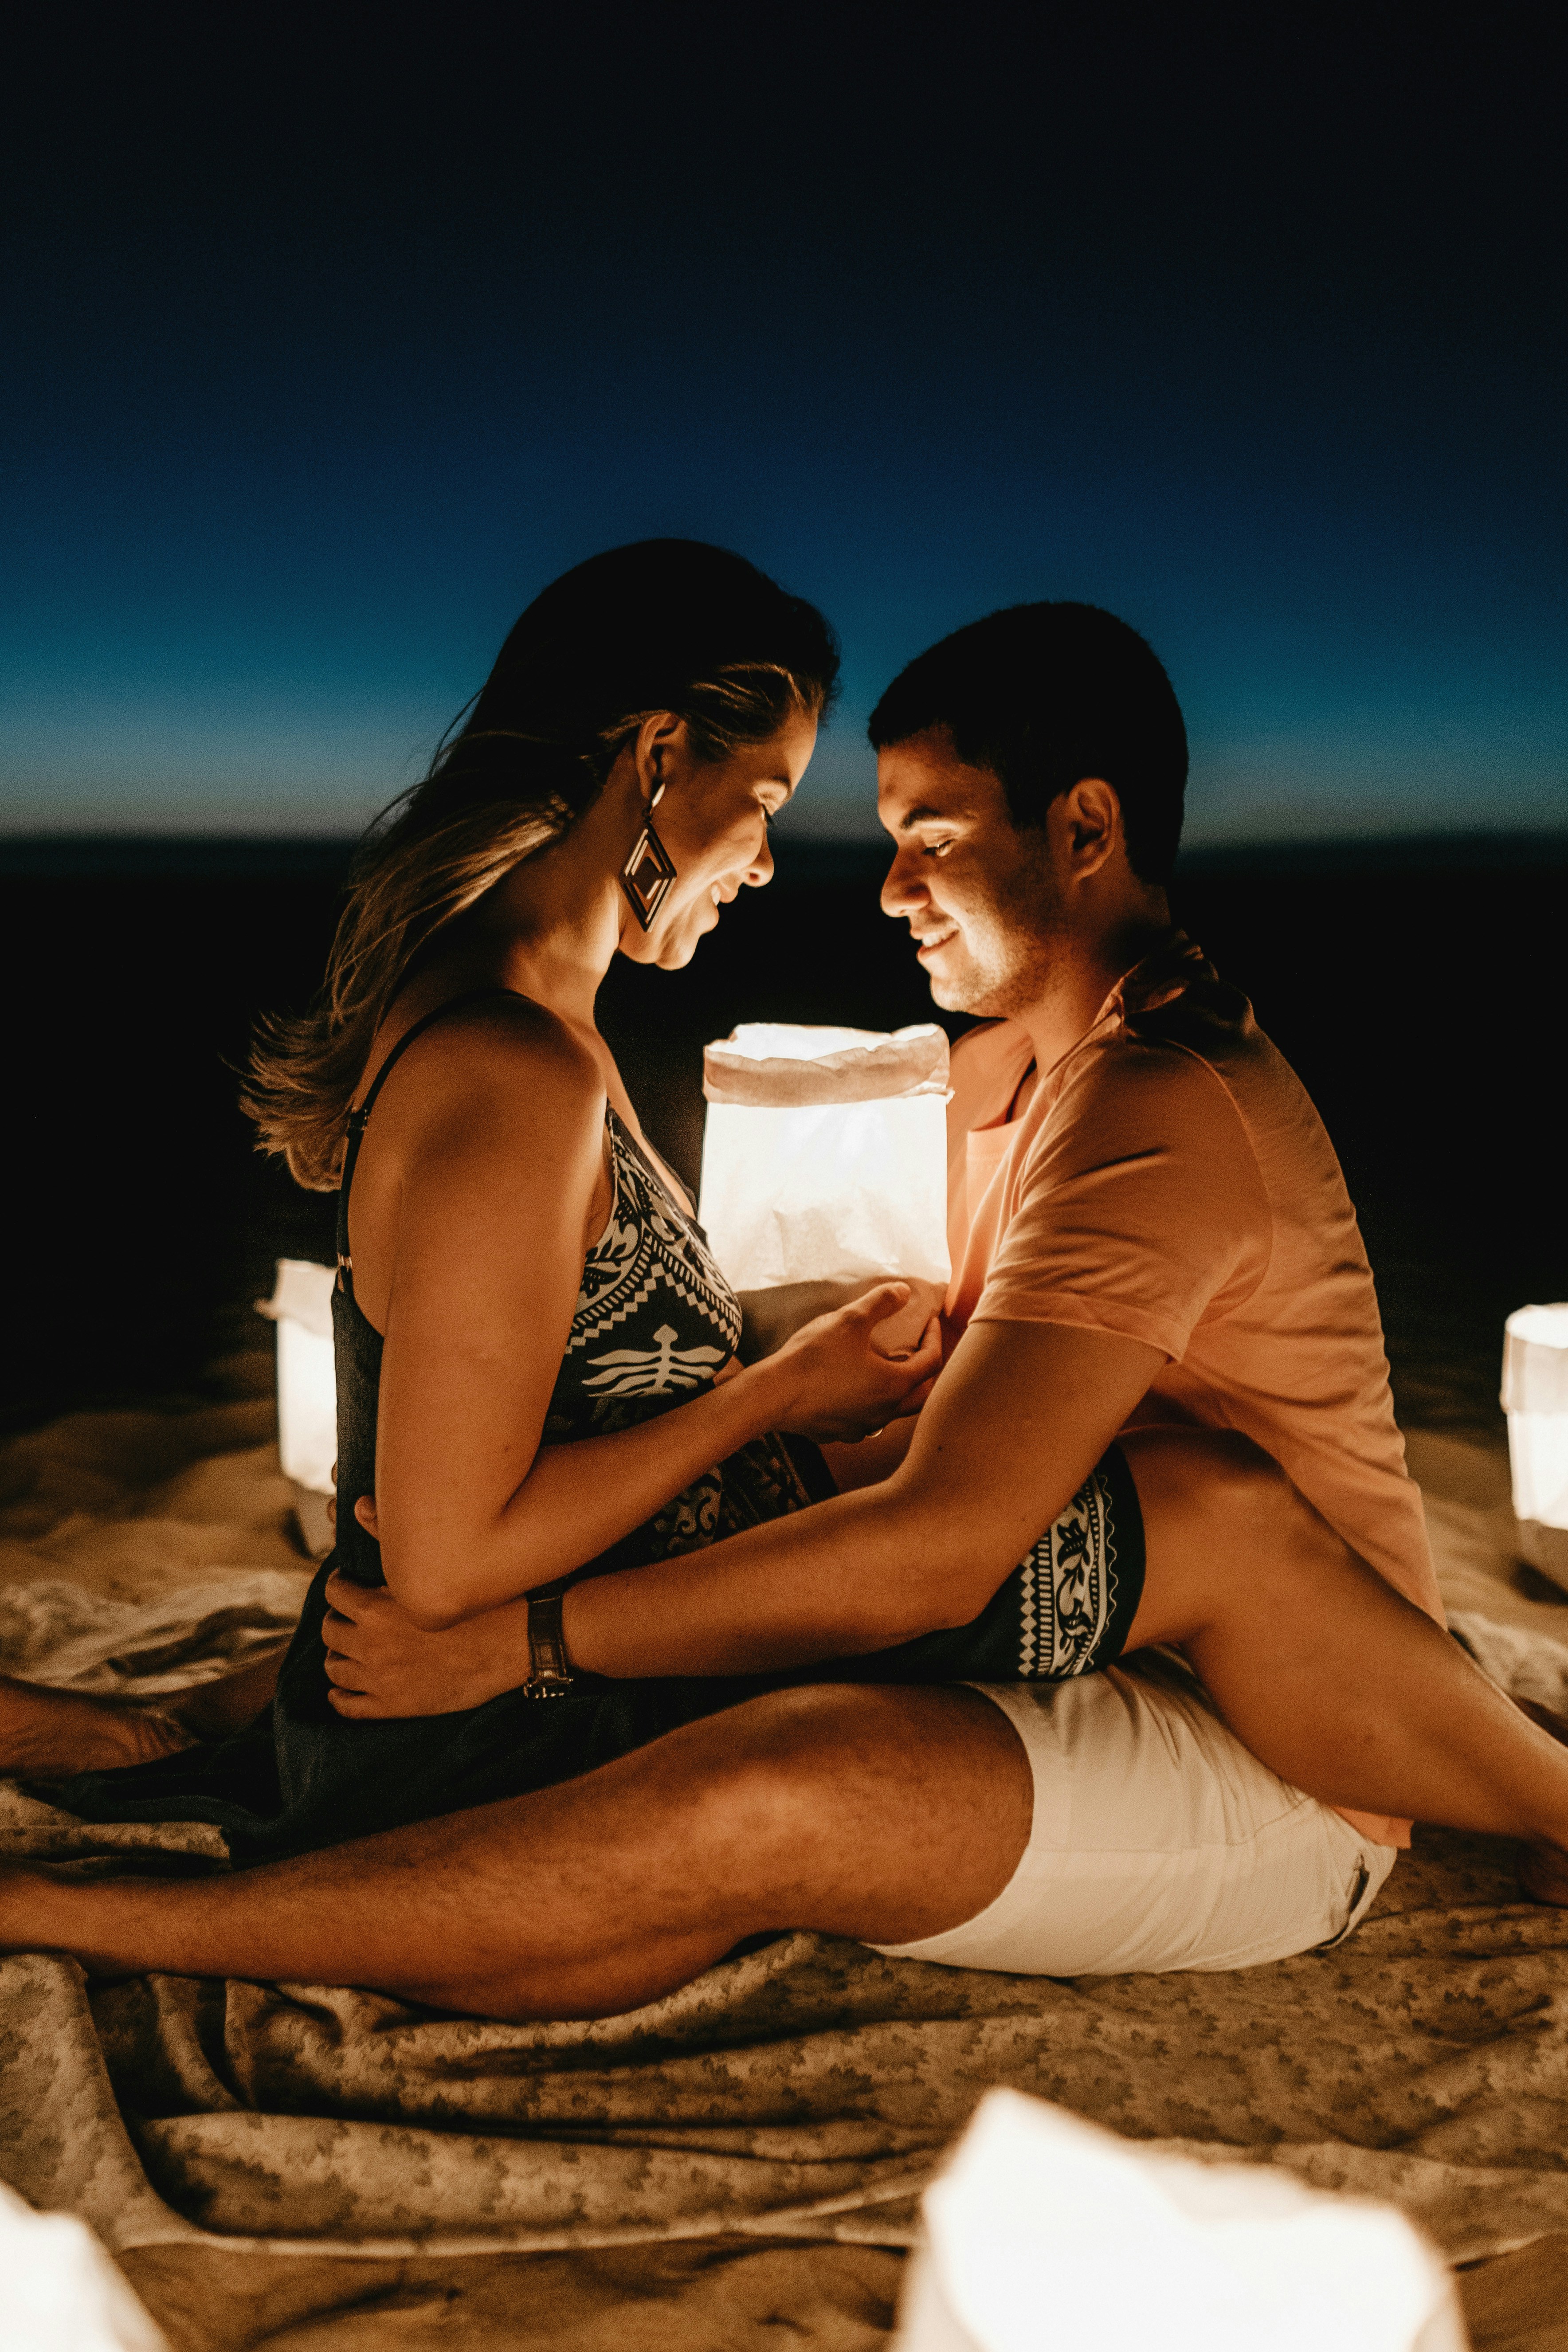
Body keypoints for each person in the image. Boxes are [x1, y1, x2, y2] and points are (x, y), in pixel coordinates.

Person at [6, 585, 1568, 2023]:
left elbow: (942, 1537)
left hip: (1274, 1736)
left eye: (931, 835)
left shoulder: (1154, 1095)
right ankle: (172, 1764)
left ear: (1085, 826)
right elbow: (881, 1472)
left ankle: (103, 1897)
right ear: (654, 758)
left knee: (868, 1704)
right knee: (833, 1588)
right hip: (1094, 1632)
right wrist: (782, 1392)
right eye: (785, 807)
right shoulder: (979, 1076)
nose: (871, 887)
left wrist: (540, 1639)